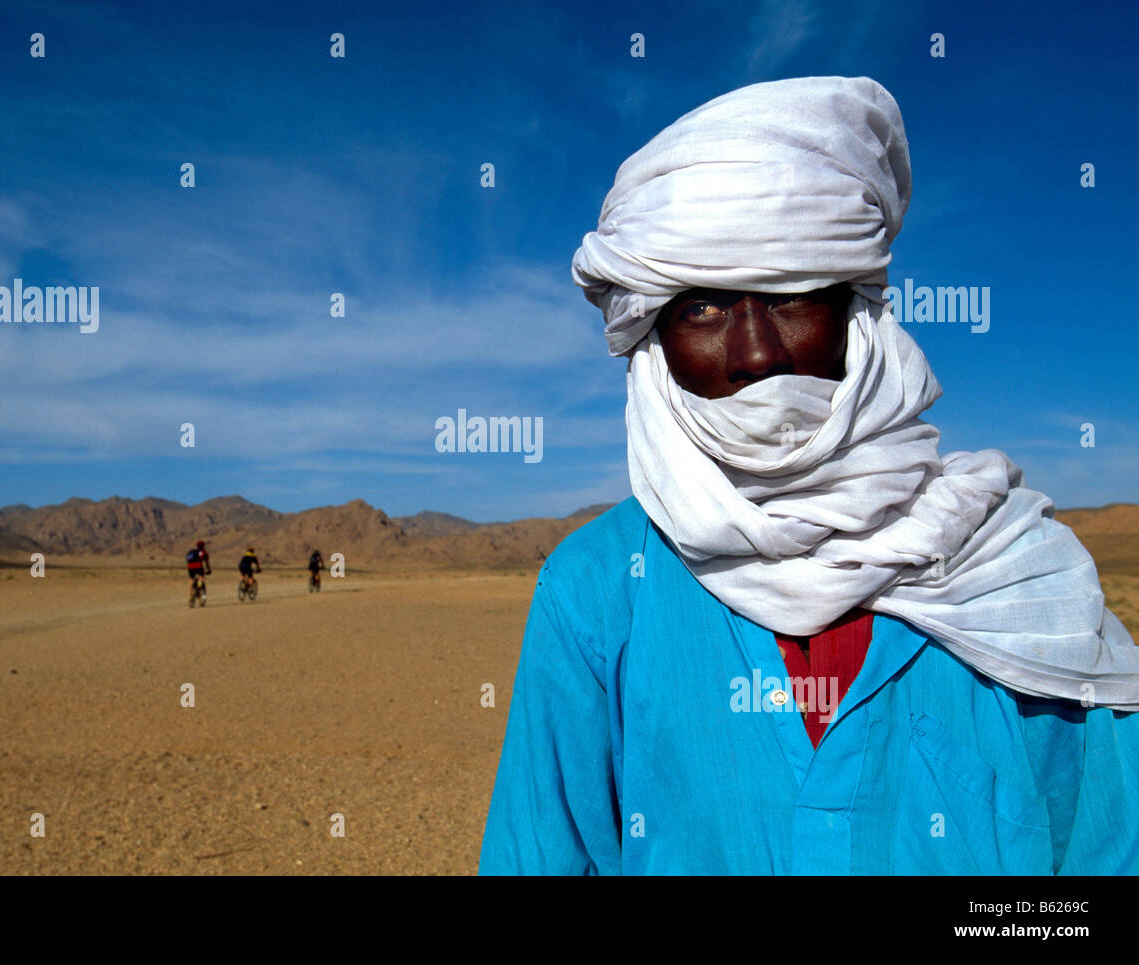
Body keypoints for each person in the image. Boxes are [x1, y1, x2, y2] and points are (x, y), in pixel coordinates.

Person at [479, 76, 1139, 876]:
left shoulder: (1022, 584)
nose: (757, 352)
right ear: (652, 341)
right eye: (703, 308)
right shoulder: (596, 594)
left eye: (793, 293)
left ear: (855, 312)